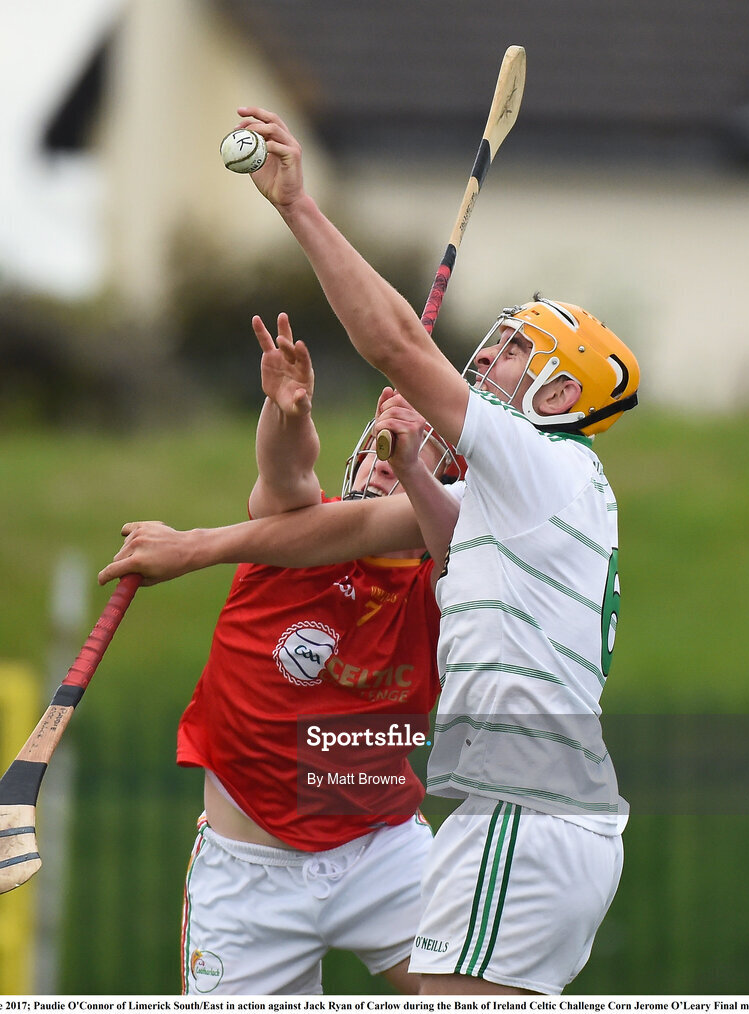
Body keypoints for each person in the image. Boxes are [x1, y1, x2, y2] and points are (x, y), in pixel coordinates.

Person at [102, 106, 640, 995]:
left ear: (554, 396)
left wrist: (297, 207)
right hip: (328, 854)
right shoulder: (492, 509)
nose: (487, 354)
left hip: (486, 823)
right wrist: (327, 435)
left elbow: (391, 344)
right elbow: (324, 515)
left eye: (513, 350)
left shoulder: (537, 466)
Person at [111, 310, 460, 996]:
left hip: (381, 853)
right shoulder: (291, 538)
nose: (386, 467)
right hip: (248, 875)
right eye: (376, 455)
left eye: (416, 466)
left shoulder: (450, 584)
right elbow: (284, 475)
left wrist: (413, 460)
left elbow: (452, 532)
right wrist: (287, 412)